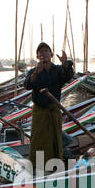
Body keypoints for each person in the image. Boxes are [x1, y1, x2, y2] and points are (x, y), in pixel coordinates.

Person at [25, 42, 72, 174]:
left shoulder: (57, 70)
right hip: (40, 111)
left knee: (54, 137)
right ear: (37, 56)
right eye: (40, 52)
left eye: (46, 51)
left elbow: (67, 76)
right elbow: (27, 85)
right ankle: (37, 166)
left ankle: (54, 166)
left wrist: (65, 64)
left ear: (51, 54)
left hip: (54, 110)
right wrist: (36, 73)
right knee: (38, 138)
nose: (43, 53)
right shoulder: (33, 72)